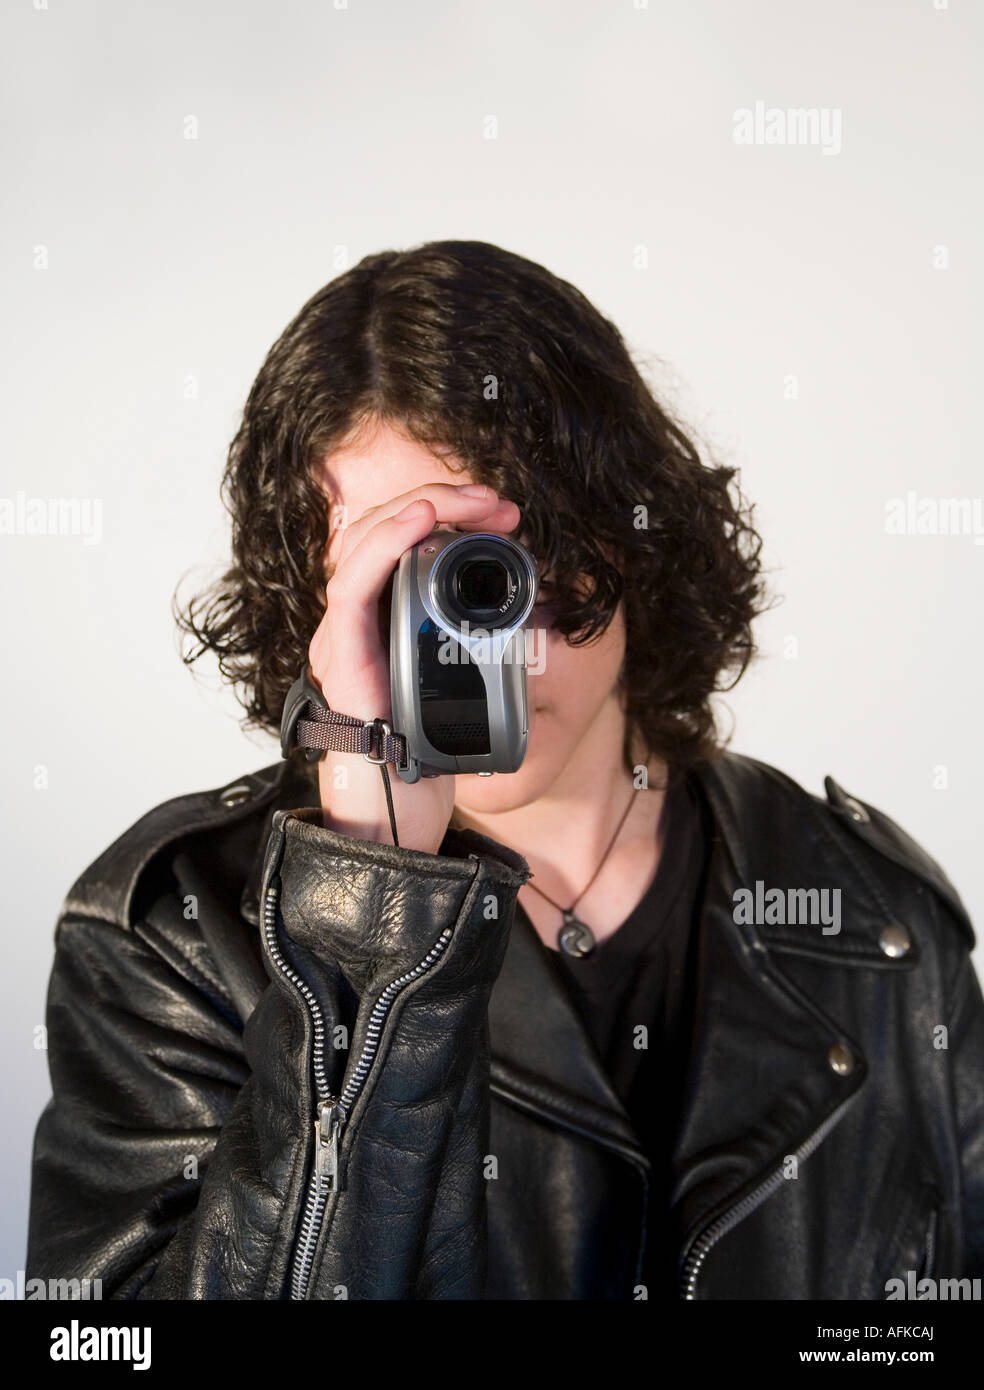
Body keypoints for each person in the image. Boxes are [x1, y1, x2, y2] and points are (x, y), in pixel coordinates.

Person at [25, 240, 984, 1301]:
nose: (483, 635)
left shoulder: (880, 924)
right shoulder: (174, 935)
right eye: (401, 582)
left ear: (627, 536)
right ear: (318, 605)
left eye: (495, 566)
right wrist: (371, 907)